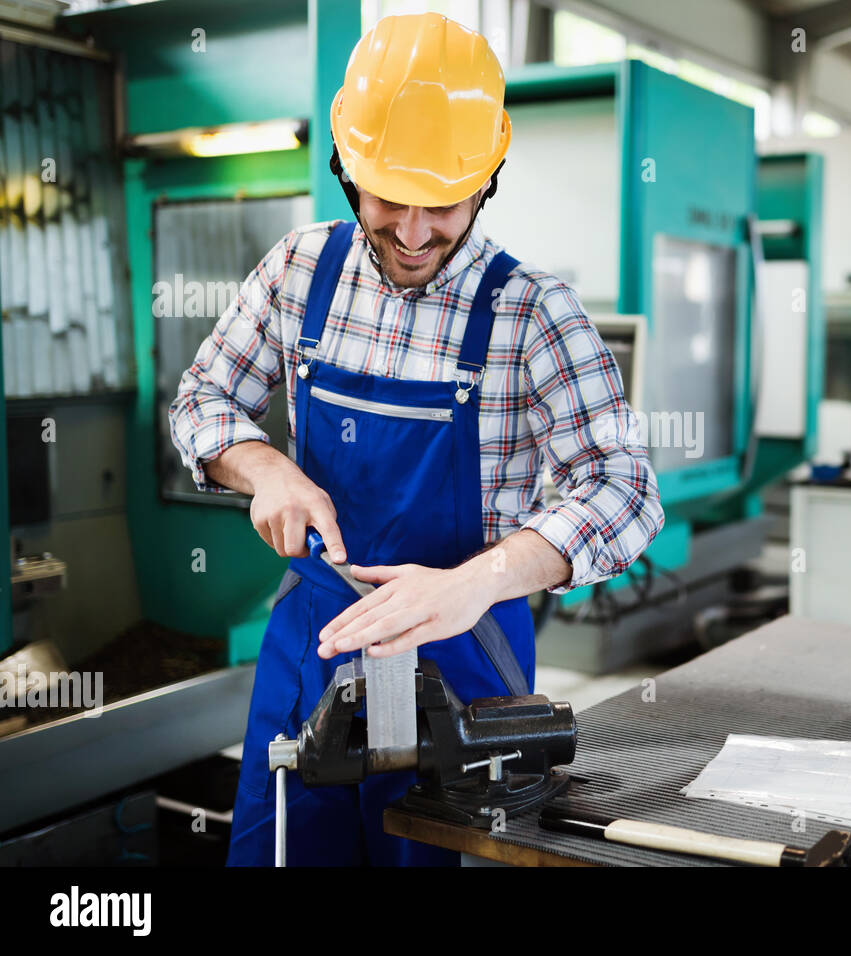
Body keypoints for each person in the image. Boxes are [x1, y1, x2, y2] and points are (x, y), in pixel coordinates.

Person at [168, 13, 664, 865]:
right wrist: (265, 470)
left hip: (465, 669)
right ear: (346, 169)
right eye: (387, 196)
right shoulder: (298, 271)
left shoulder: (535, 314)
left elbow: (625, 491)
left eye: (443, 203)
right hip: (312, 653)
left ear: (487, 183)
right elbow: (201, 399)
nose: (411, 229)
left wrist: (480, 582)